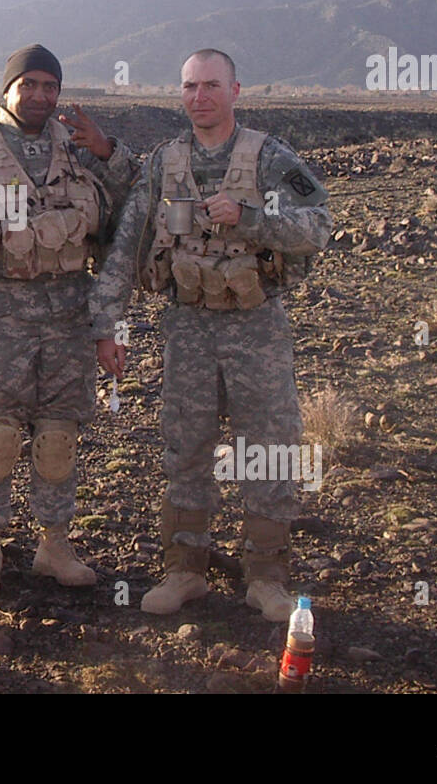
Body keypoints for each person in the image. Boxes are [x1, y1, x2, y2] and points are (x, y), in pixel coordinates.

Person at [90, 48, 331, 621]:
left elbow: (318, 224)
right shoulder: (162, 163)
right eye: (191, 86)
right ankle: (183, 571)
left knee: (268, 451)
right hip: (188, 328)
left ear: (236, 91)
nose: (200, 96)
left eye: (212, 85)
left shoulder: (269, 157)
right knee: (186, 449)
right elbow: (125, 249)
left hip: (256, 327)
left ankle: (267, 578)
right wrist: (108, 325)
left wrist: (249, 217)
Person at [0, 44, 138, 598]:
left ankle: (54, 543)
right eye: (30, 84)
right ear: (8, 89)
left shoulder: (76, 150)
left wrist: (109, 151)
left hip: (70, 310)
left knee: (58, 435)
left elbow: (132, 205)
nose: (42, 95)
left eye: (51, 85)